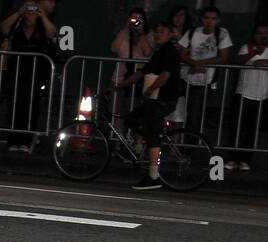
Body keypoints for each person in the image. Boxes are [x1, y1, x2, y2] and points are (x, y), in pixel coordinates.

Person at [107, 20, 184, 188]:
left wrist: (151, 89)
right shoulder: (159, 52)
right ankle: (141, 146)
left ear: (170, 34)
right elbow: (143, 72)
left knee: (152, 134)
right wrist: (119, 86)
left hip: (163, 99)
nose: (157, 35)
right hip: (154, 99)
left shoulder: (169, 52)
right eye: (156, 32)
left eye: (162, 31)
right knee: (132, 119)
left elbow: (166, 74)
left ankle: (153, 176)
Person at [0, 1, 58, 152]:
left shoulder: (41, 28)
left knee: (32, 107)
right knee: (15, 106)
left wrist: (42, 15)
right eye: (29, 9)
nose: (30, 12)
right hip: (16, 72)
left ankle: (26, 141)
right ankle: (13, 140)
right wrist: (19, 12)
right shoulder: (17, 26)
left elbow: (52, 32)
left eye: (33, 9)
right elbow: (4, 26)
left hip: (35, 73)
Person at [178, 5, 233, 140]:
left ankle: (189, 145)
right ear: (202, 19)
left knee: (195, 113)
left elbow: (223, 56)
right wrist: (195, 64)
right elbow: (182, 53)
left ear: (218, 20)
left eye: (213, 19)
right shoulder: (192, 32)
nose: (209, 22)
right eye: (207, 18)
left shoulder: (222, 33)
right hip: (186, 76)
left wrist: (198, 64)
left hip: (204, 79)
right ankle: (182, 143)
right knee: (181, 112)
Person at [228, 23, 268, 170]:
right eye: (260, 32)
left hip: (261, 96)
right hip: (243, 93)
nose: (263, 36)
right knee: (238, 127)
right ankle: (232, 157)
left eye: (266, 33)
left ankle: (246, 159)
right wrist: (254, 53)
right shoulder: (247, 48)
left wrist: (263, 61)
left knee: (252, 130)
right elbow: (239, 60)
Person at [110, 8, 156, 135]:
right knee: (117, 112)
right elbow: (114, 48)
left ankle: (135, 144)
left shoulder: (149, 35)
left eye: (139, 19)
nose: (135, 22)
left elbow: (148, 53)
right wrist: (126, 29)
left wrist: (141, 33)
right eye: (133, 18)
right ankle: (118, 144)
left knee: (137, 115)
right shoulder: (124, 33)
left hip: (140, 81)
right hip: (120, 79)